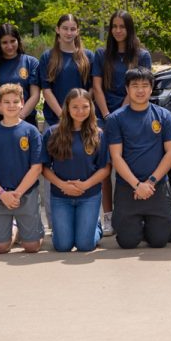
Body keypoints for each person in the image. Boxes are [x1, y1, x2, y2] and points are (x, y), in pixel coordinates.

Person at [105, 66, 171, 249]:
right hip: (128, 187)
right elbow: (116, 157)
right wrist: (137, 185)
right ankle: (134, 225)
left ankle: (151, 225)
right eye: (135, 85)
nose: (140, 90)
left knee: (159, 241)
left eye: (145, 85)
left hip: (157, 186)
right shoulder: (116, 119)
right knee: (127, 242)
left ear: (151, 87)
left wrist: (151, 182)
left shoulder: (164, 115)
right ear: (127, 89)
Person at [93, 10, 152, 238]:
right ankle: (108, 216)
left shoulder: (142, 55)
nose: (118, 30)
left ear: (129, 29)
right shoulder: (101, 54)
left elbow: (138, 87)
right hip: (103, 115)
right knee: (105, 168)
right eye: (114, 26)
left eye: (122, 26)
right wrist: (107, 115)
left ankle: (137, 214)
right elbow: (97, 87)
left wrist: (118, 115)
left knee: (131, 165)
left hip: (131, 113)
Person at [0, 83, 45, 254]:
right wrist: (3, 194)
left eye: (15, 101)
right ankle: (14, 229)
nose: (11, 105)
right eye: (6, 102)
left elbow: (36, 168)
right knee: (0, 249)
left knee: (32, 247)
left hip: (26, 193)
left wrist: (18, 193)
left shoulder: (31, 132)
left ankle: (31, 231)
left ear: (23, 103)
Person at [41, 88, 111, 253]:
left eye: (85, 106)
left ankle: (96, 226)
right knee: (63, 245)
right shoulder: (52, 133)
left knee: (84, 245)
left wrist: (85, 185)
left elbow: (105, 168)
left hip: (89, 195)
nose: (80, 111)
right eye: (75, 107)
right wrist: (62, 185)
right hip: (60, 197)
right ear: (67, 108)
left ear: (91, 108)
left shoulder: (98, 134)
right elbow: (44, 168)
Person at [0, 23, 41, 126]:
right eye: (4, 42)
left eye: (12, 41)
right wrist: (8, 114)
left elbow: (35, 95)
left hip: (26, 119)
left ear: (18, 40)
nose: (9, 46)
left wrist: (20, 115)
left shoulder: (31, 63)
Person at [38, 13, 93, 129]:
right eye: (65, 28)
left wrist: (80, 113)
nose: (69, 33)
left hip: (82, 120)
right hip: (55, 120)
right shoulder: (47, 57)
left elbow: (92, 88)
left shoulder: (88, 56)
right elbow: (46, 91)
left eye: (73, 29)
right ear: (57, 29)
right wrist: (63, 116)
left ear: (77, 31)